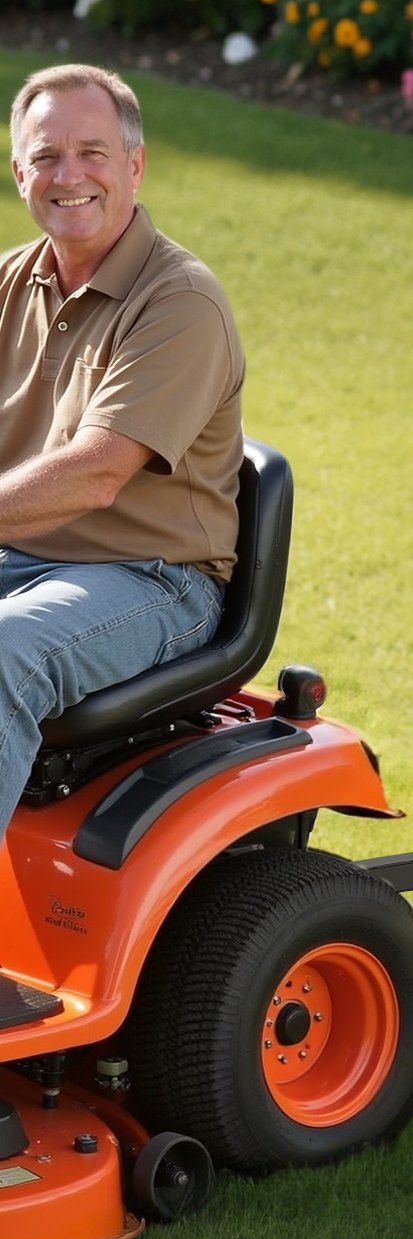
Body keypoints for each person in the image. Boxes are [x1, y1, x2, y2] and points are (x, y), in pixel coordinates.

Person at [0, 63, 244, 830]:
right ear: (19, 173)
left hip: (150, 581)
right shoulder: (10, 282)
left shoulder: (180, 300)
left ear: (135, 166)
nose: (67, 175)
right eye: (45, 157)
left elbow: (98, 472)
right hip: (24, 556)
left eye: (91, 153)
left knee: (3, 655)